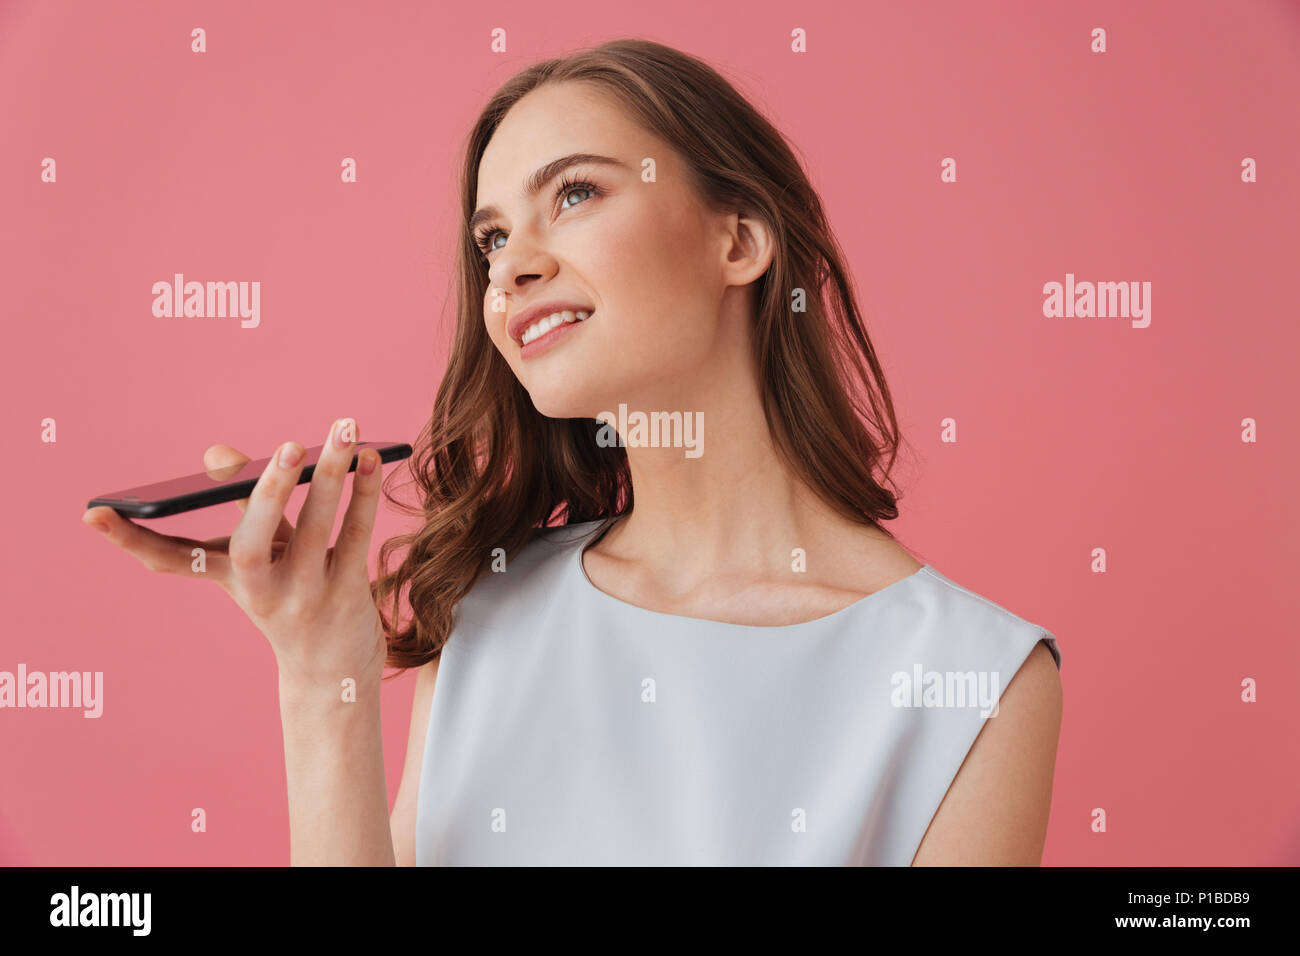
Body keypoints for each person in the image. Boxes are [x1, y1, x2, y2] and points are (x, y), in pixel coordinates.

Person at [82, 38, 1062, 866]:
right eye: (492, 237)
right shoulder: (490, 605)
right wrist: (316, 668)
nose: (511, 266)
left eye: (577, 193)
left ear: (740, 240)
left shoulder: (972, 676)